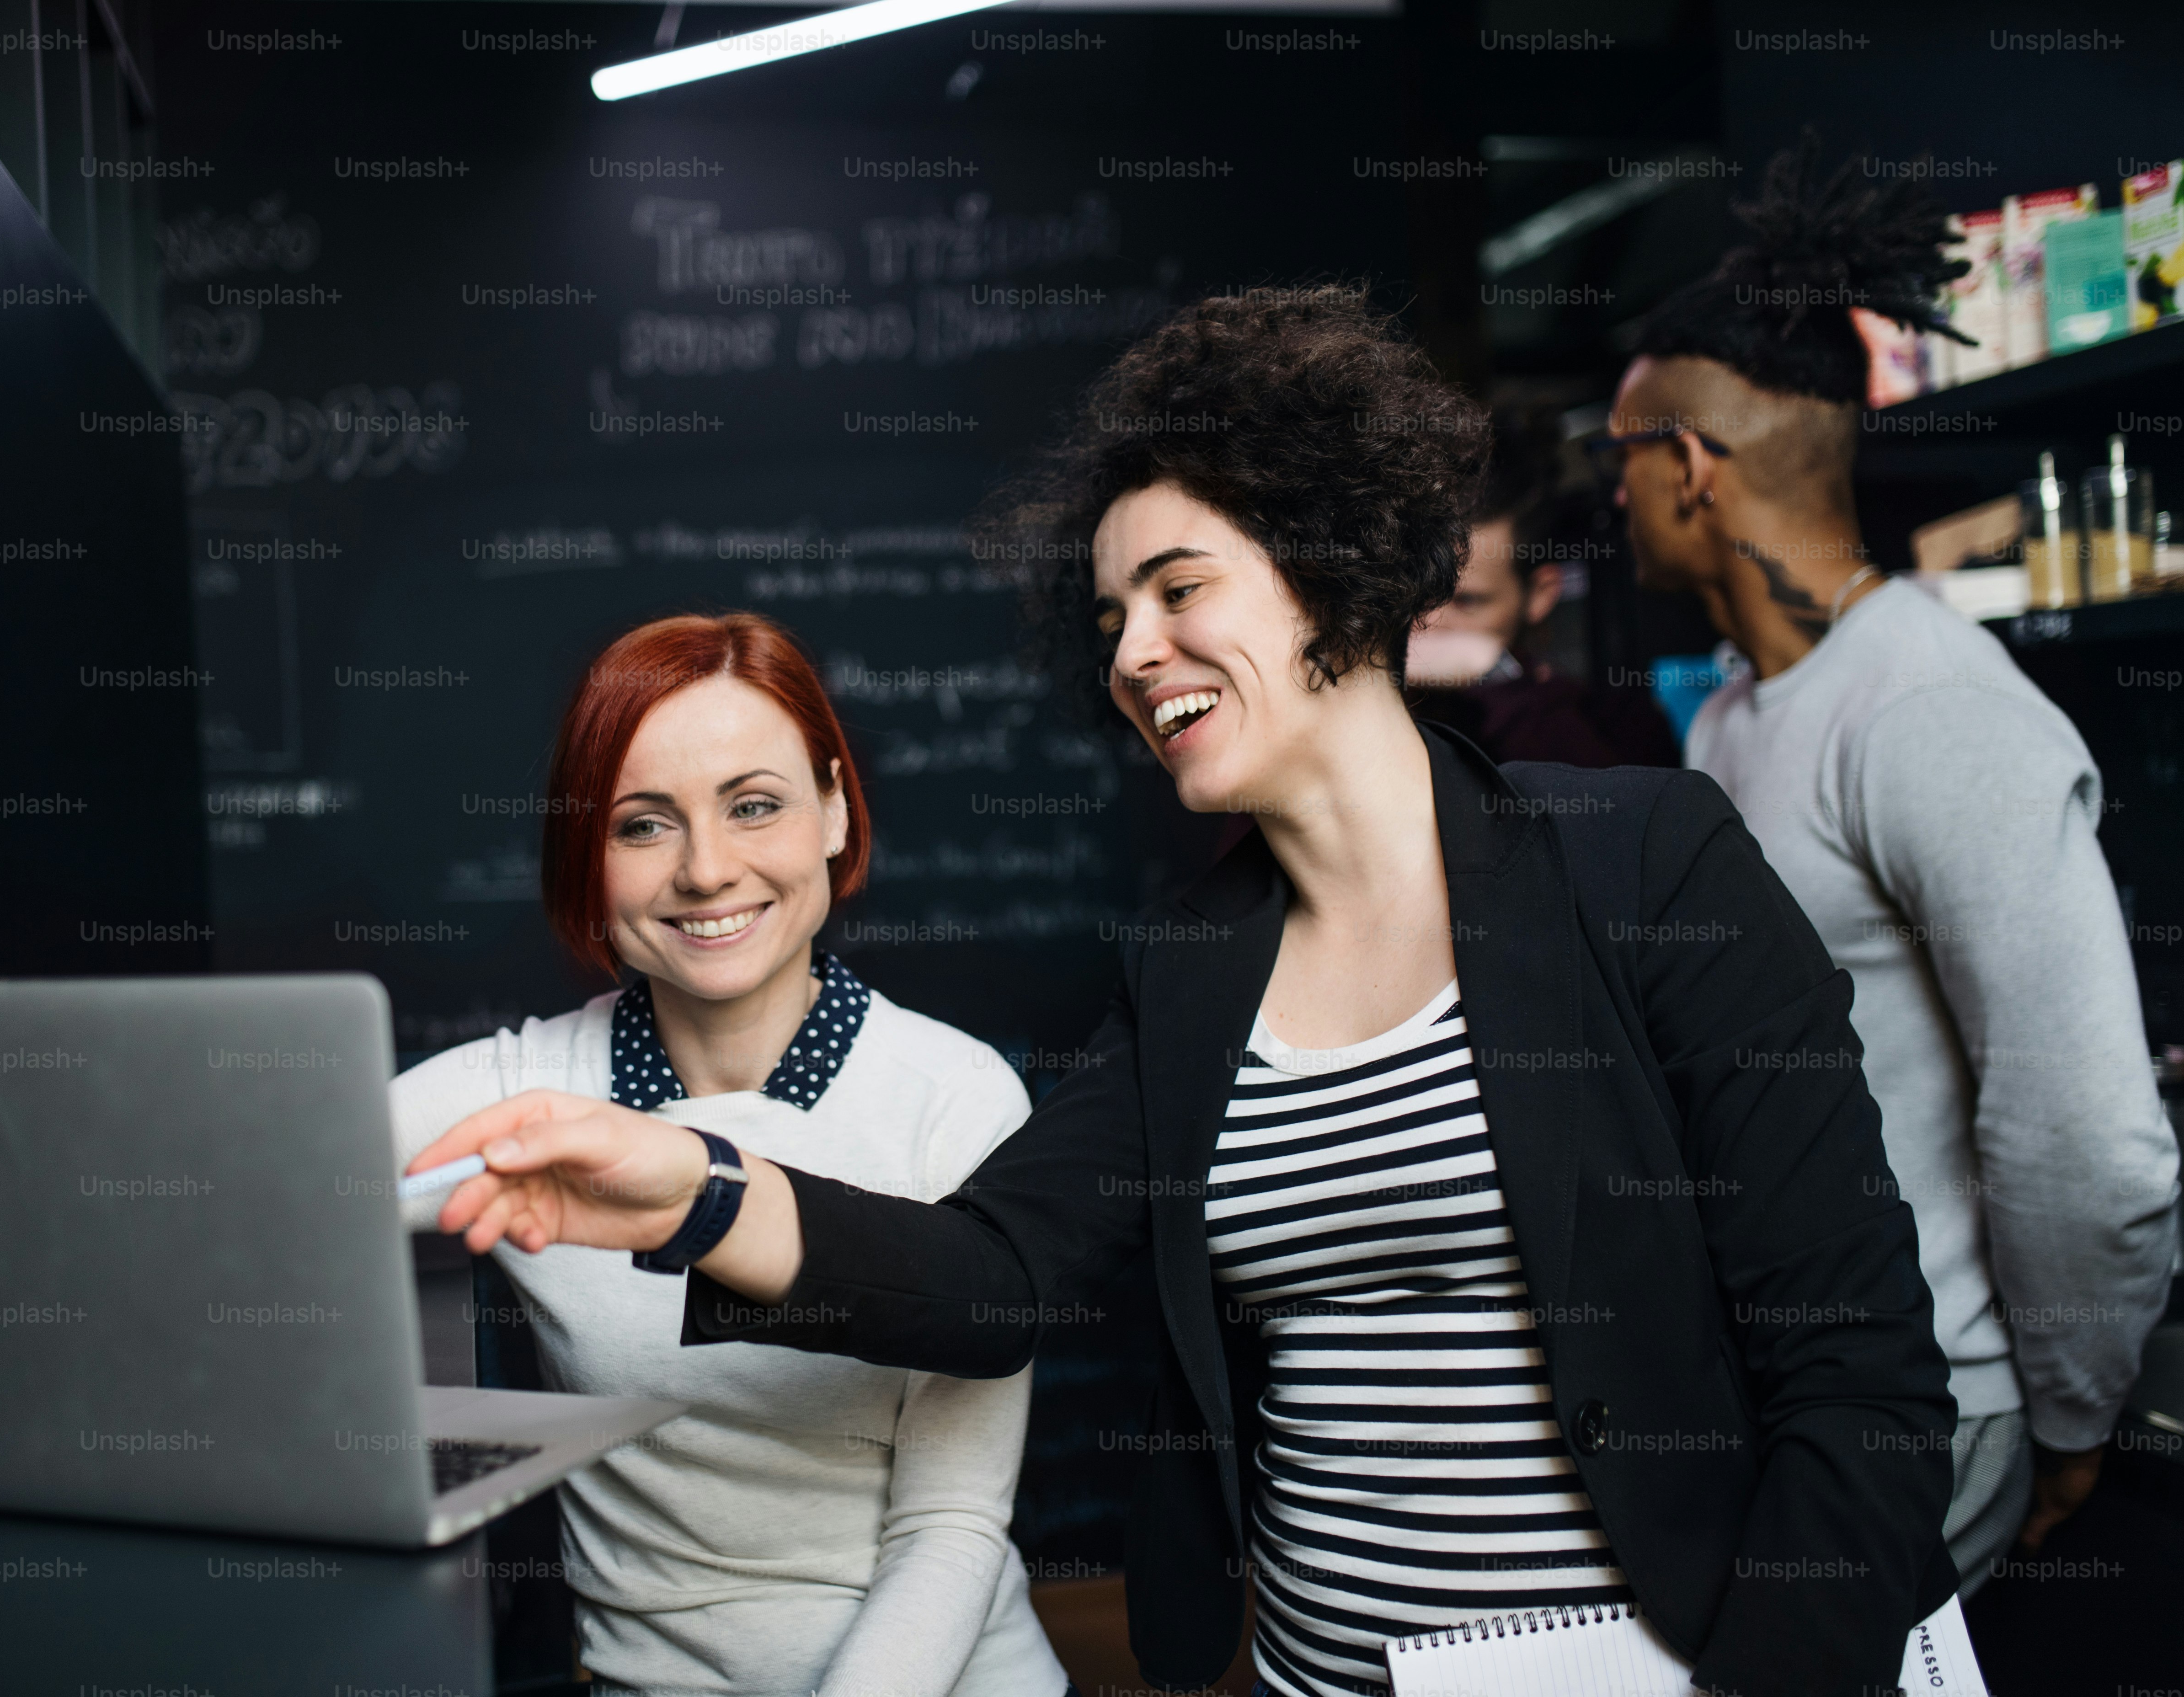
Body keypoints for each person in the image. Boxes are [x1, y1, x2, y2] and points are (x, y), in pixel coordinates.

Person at [407, 289, 1958, 1697]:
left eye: (1175, 588)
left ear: (1327, 563)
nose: (1134, 655)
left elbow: (1859, 1382)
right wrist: (695, 1187)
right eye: (1110, 622)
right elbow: (990, 1278)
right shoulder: (1193, 967)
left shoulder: (1644, 865)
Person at [1605, 140, 2180, 1594]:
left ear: (1688, 465)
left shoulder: (1931, 710)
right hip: (1781, 1391)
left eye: (1620, 456)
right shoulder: (1734, 718)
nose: (1608, 495)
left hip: (1926, 1401)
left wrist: (2069, 1413)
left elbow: (2084, 1129)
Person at [389, 612, 1070, 1697]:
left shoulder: (955, 1099)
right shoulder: (527, 1096)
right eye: (643, 825)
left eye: (754, 805)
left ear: (834, 810)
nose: (707, 870)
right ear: (589, 857)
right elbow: (260, 1191)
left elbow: (949, 1526)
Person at [1404, 408, 1676, 768]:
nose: (1427, 622)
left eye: (1467, 601)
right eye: (1415, 594)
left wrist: (1494, 673)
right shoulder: (1364, 703)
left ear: (1540, 595)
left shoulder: (1614, 724)